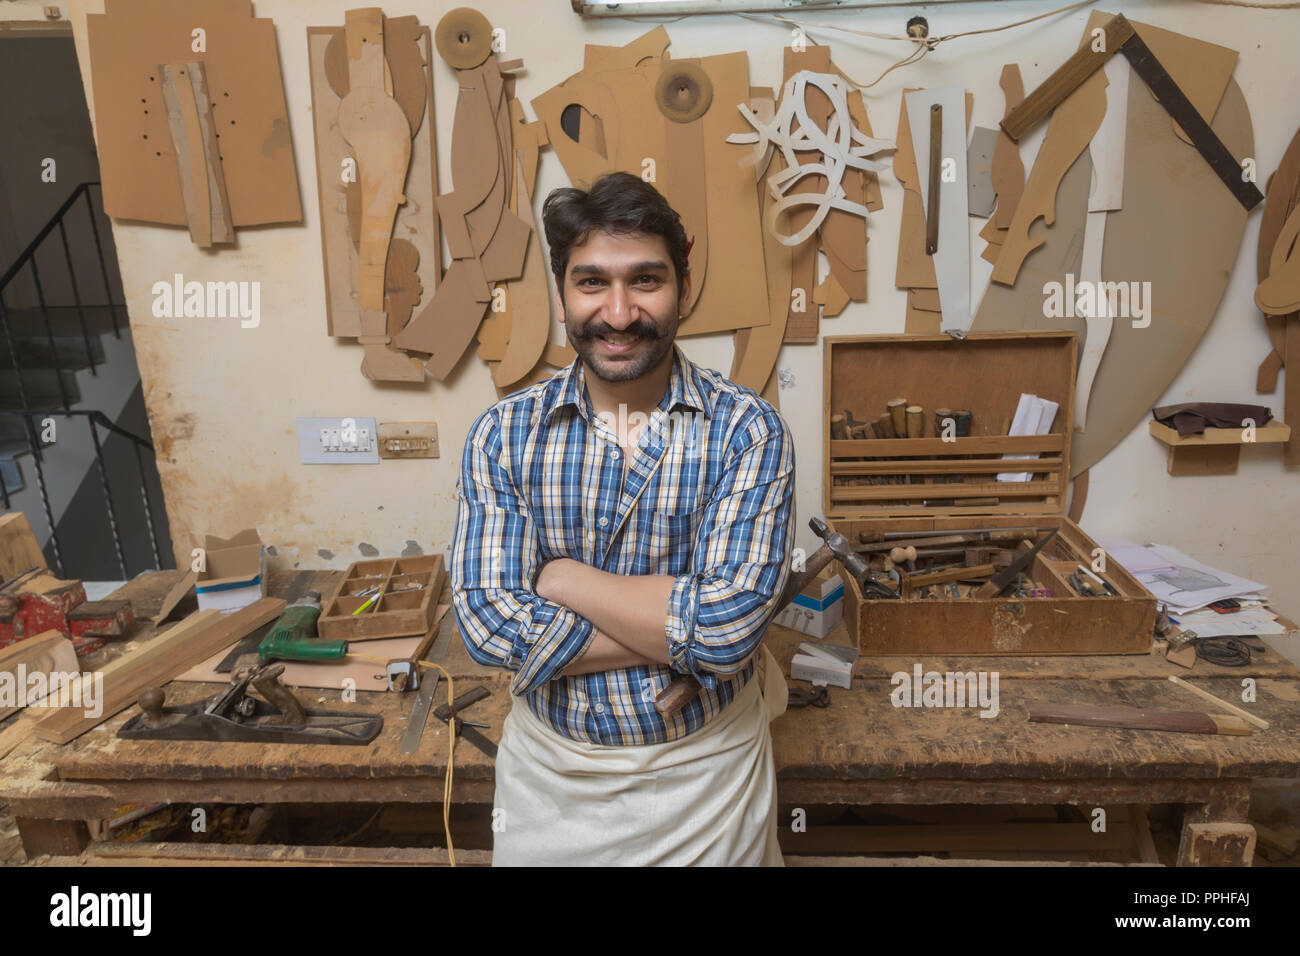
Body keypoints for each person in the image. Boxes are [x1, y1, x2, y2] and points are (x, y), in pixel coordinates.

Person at [451, 171, 795, 866]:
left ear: (684, 287)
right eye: (591, 283)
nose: (617, 313)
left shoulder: (747, 432)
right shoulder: (502, 434)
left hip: (707, 780)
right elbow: (488, 627)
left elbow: (728, 630)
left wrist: (559, 576)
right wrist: (679, 634)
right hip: (552, 780)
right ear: (560, 294)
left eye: (645, 280)